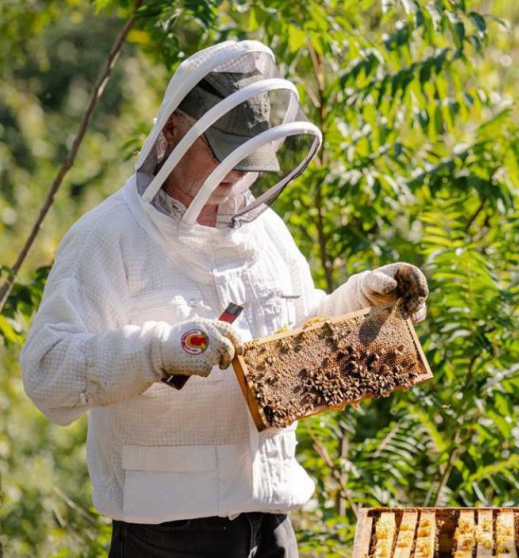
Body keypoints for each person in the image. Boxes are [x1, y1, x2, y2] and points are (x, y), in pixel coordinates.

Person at [19, 39, 429, 557]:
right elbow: (47, 373)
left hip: (274, 526)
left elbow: (297, 350)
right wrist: (158, 351)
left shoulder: (266, 234)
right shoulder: (109, 235)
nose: (237, 170)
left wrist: (365, 301)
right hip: (168, 538)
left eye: (249, 150)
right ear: (171, 130)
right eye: (221, 147)